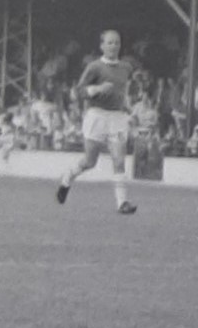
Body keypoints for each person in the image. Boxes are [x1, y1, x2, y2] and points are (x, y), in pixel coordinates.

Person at [55, 29, 141, 214]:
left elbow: (124, 90)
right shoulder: (95, 67)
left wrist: (127, 107)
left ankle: (122, 203)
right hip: (97, 115)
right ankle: (67, 179)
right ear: (102, 46)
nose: (114, 46)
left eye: (117, 42)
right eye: (109, 43)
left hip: (117, 117)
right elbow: (78, 92)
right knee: (90, 161)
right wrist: (98, 89)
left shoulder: (126, 67)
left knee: (119, 160)